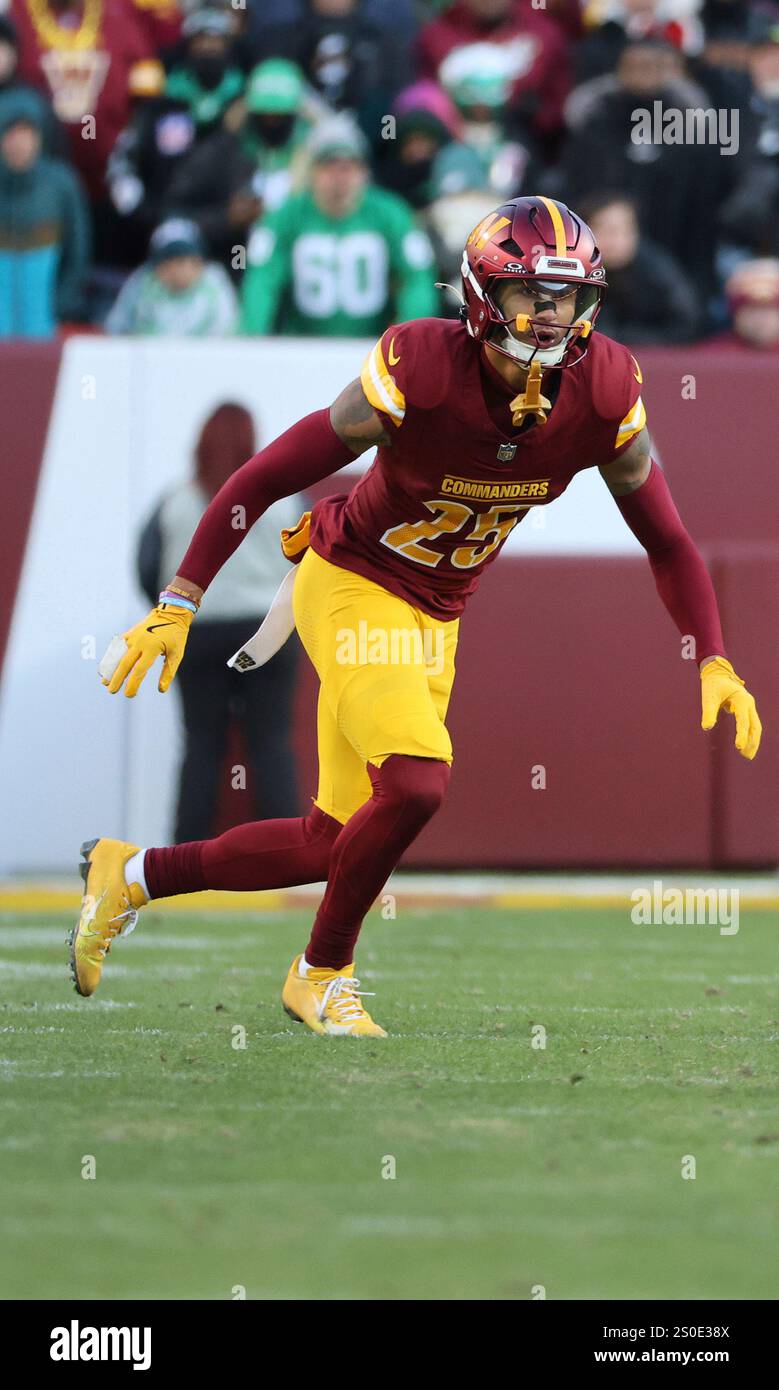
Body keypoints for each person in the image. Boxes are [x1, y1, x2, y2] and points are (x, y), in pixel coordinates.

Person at [71, 195, 762, 1037]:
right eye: (530, 295)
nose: (551, 318)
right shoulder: (424, 368)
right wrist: (181, 599)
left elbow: (668, 542)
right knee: (416, 780)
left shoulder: (605, 389)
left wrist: (713, 657)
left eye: (568, 297)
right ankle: (321, 972)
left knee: (329, 840)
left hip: (439, 613)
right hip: (354, 583)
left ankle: (130, 873)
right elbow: (261, 476)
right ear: (480, 296)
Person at [136, 403, 304, 841]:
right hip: (268, 632)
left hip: (198, 632)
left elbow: (148, 568)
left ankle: (181, 859)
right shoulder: (284, 502)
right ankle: (283, 854)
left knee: (201, 746)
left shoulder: (175, 502)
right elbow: (313, 564)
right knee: (271, 743)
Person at [241, 114, 438, 336]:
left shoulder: (392, 214)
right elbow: (262, 282)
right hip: (299, 350)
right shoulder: (285, 216)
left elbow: (417, 279)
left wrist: (406, 341)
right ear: (312, 172)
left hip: (372, 349)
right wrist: (252, 339)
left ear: (364, 172)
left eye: (348, 166)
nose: (339, 177)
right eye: (329, 166)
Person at [0, 85, 89, 336]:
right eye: (10, 134)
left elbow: (78, 251)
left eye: (28, 133)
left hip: (45, 325)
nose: (20, 143)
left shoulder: (61, 185)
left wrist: (63, 303)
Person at [581, 192, 700, 344]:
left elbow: (688, 324)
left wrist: (627, 338)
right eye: (604, 229)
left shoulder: (657, 270)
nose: (614, 239)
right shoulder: (575, 272)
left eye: (623, 229)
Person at [104, 216, 238, 334]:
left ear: (199, 263)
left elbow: (227, 331)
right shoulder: (143, 282)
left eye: (181, 262)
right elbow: (115, 326)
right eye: (167, 262)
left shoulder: (213, 284)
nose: (175, 271)